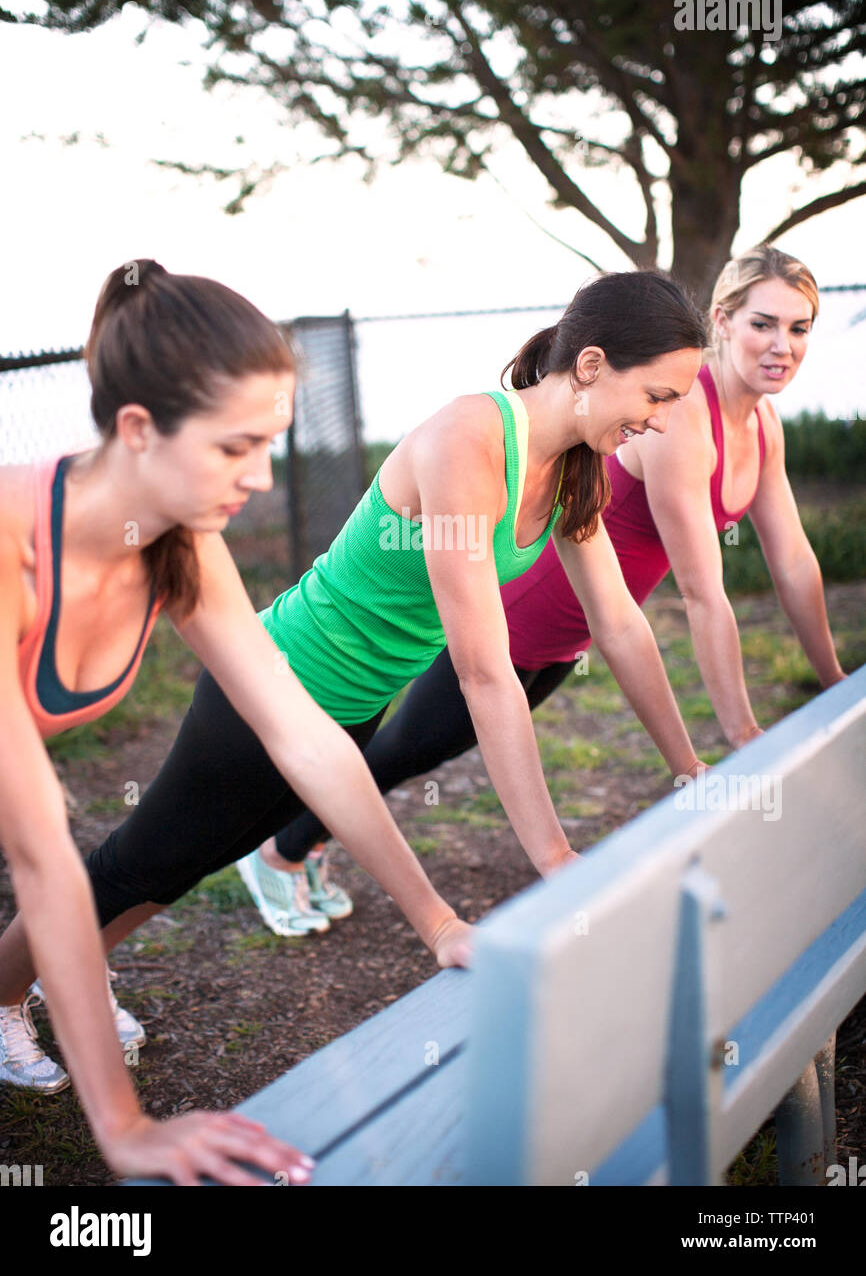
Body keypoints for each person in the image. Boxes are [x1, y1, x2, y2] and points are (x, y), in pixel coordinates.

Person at [22, 266, 713, 982]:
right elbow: (481, 670)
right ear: (593, 366)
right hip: (277, 682)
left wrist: (689, 767)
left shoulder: (573, 468)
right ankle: (18, 989)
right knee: (144, 862)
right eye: (657, 396)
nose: (660, 419)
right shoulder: (471, 440)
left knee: (177, 870)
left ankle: (67, 972)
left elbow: (621, 626)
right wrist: (554, 857)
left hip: (352, 708)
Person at [0, 259, 470, 1187]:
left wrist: (441, 923)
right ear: (138, 429)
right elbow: (45, 858)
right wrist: (126, 1128)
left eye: (272, 445)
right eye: (234, 447)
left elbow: (305, 736)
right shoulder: (14, 546)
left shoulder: (178, 538)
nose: (260, 477)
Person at [348, 246, 847, 811]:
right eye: (764, 323)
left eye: (799, 327)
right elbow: (702, 593)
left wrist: (833, 683)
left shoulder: (756, 425)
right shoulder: (679, 417)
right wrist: (742, 736)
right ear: (724, 323)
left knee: (423, 749)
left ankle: (302, 832)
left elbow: (792, 562)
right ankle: (288, 847)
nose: (783, 343)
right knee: (412, 749)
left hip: (582, 628)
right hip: (529, 610)